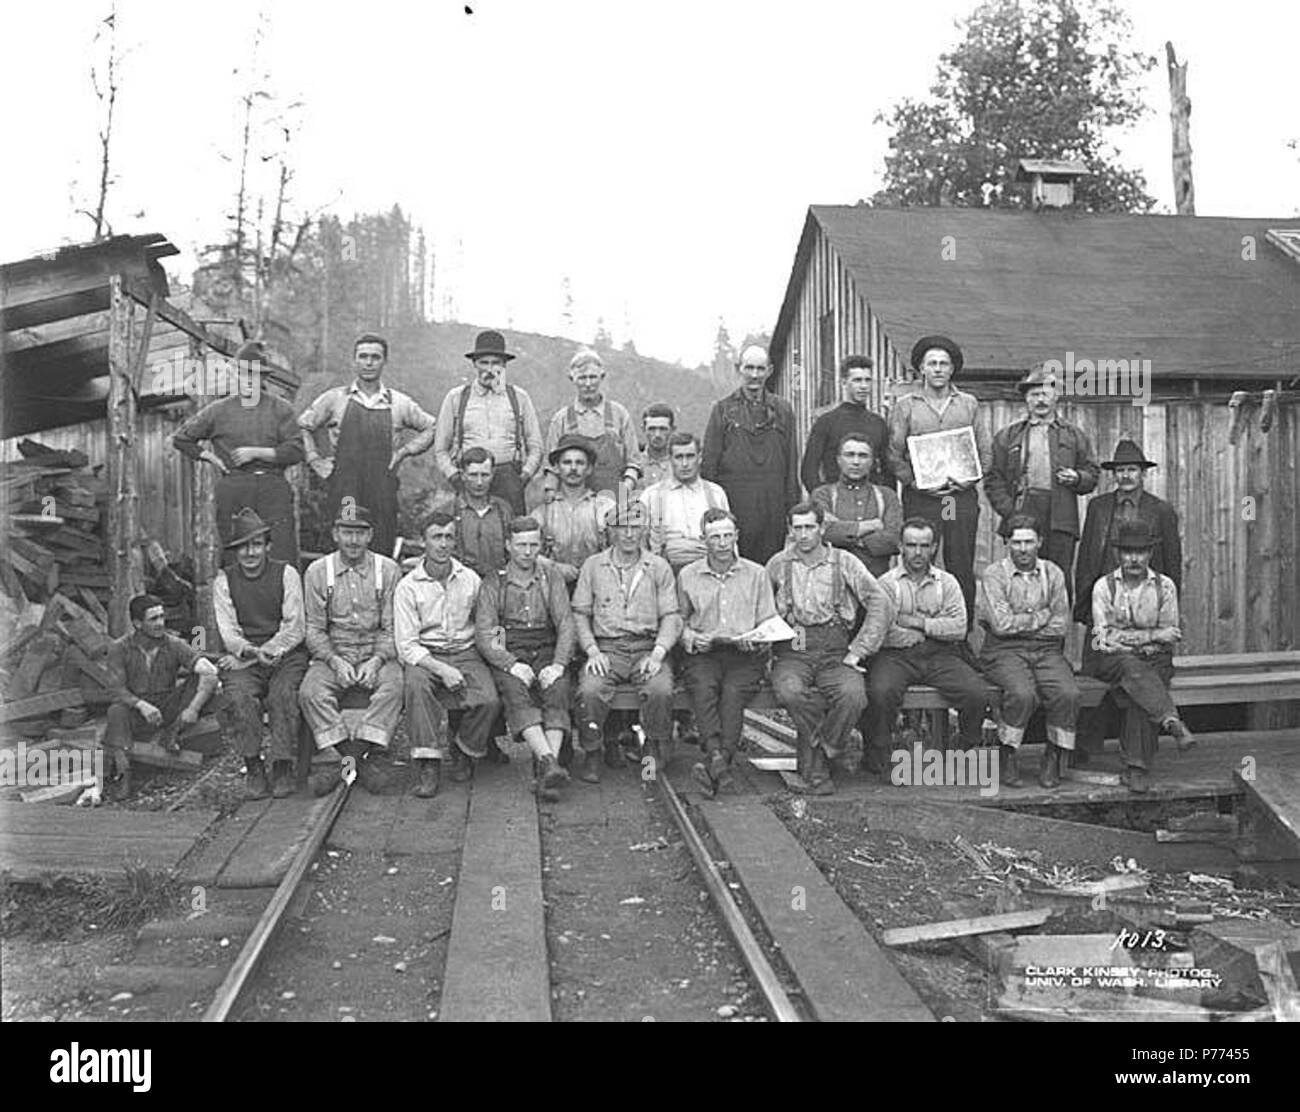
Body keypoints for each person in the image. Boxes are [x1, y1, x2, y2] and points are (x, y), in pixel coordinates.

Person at [767, 502, 893, 794]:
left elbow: (879, 602)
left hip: (836, 651)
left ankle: (823, 750)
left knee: (853, 696)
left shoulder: (844, 562)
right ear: (789, 530)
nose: (803, 534)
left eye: (809, 527)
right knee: (790, 691)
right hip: (793, 649)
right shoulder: (777, 564)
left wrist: (859, 649)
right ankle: (821, 759)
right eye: (797, 528)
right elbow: (761, 611)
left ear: (822, 529)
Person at [298, 333, 437, 560]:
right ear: (354, 361)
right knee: (347, 538)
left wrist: (403, 452)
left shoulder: (399, 403)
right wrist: (315, 459)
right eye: (363, 356)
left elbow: (431, 427)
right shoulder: (335, 399)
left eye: (375, 357)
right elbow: (303, 425)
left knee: (380, 545)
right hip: (346, 490)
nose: (369, 362)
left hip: (381, 491)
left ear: (384, 361)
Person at [865, 518, 988, 771]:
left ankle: (965, 751)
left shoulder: (948, 582)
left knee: (976, 692)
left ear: (934, 547)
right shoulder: (886, 584)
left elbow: (958, 628)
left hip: (940, 655)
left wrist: (918, 623)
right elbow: (883, 631)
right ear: (900, 546)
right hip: (896, 656)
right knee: (881, 691)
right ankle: (881, 753)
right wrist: (931, 628)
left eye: (924, 545)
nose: (918, 552)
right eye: (911, 545)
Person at [571, 502, 682, 783]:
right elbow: (580, 614)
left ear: (644, 530)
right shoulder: (593, 566)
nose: (629, 534)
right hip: (607, 647)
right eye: (622, 528)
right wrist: (592, 651)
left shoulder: (658, 567)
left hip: (647, 646)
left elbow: (671, 616)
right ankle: (593, 751)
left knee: (659, 689)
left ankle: (654, 748)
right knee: (590, 690)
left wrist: (658, 654)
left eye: (635, 527)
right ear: (611, 531)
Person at [1082, 519, 1195, 794]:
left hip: (1154, 659)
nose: (1134, 558)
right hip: (1111, 660)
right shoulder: (1103, 587)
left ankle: (1136, 768)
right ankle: (1170, 720)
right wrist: (1149, 636)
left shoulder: (1164, 587)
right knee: (1132, 668)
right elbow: (1101, 638)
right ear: (1118, 554)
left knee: (1139, 689)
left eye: (1141, 552)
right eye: (1128, 552)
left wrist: (1135, 638)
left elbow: (1172, 634)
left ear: (1150, 554)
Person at [886, 335, 991, 627]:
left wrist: (968, 480)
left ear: (952, 369)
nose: (938, 369)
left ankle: (961, 633)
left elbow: (984, 451)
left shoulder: (967, 404)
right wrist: (917, 482)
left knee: (960, 562)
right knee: (919, 559)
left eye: (944, 364)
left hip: (955, 498)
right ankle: (916, 627)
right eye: (931, 363)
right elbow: (893, 454)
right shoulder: (906, 406)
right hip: (923, 498)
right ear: (921, 368)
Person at [299, 505, 405, 794]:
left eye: (359, 533)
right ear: (335, 534)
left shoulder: (388, 570)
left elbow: (393, 626)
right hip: (336, 650)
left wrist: (377, 660)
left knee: (395, 688)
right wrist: (334, 661)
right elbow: (314, 629)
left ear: (370, 535)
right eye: (347, 532)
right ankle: (358, 758)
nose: (353, 541)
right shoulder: (319, 572)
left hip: (376, 651)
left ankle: (348, 761)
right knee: (311, 692)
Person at [395, 512, 503, 792]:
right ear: (423, 542)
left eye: (449, 537)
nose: (443, 544)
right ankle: (428, 763)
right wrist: (442, 669)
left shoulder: (470, 579)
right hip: (426, 654)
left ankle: (464, 750)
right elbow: (407, 645)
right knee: (416, 688)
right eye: (436, 537)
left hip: (465, 651)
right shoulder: (408, 587)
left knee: (489, 700)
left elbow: (484, 625)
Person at [172, 340, 304, 567]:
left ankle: (282, 601)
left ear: (264, 378)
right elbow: (182, 439)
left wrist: (258, 452)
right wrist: (210, 457)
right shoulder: (218, 410)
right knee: (236, 554)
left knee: (281, 554)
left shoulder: (280, 408)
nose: (250, 380)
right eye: (245, 374)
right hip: (234, 488)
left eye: (256, 375)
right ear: (235, 374)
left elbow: (296, 450)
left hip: (273, 488)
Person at [678, 509, 780, 795]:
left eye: (727, 536)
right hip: (706, 652)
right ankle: (718, 759)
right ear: (704, 541)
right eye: (715, 537)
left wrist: (757, 640)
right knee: (703, 686)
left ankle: (716, 760)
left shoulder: (757, 574)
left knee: (734, 692)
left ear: (736, 537)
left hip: (744, 654)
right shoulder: (688, 575)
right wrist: (691, 638)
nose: (722, 543)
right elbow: (678, 621)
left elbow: (768, 620)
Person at [475, 517, 575, 802]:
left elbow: (566, 623)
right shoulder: (495, 581)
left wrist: (558, 664)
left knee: (557, 690)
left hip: (545, 647)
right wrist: (510, 664)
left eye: (533, 545)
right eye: (521, 545)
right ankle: (550, 764)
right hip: (511, 649)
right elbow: (487, 632)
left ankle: (548, 765)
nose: (528, 552)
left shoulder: (550, 577)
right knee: (516, 693)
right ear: (509, 546)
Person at [978, 515, 1079, 790]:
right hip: (1003, 651)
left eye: (1029, 542)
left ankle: (1053, 755)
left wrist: (1022, 622)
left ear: (1040, 543)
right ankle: (1008, 752)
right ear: (1007, 543)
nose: (1023, 549)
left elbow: (1059, 626)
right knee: (1022, 694)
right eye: (1017, 542)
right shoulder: (994, 574)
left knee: (1067, 693)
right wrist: (1040, 616)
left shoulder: (1053, 573)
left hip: (1046, 650)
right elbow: (1001, 625)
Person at [212, 508, 308, 799]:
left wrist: (269, 650)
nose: (250, 552)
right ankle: (253, 765)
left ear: (267, 546)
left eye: (256, 544)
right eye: (243, 546)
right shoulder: (223, 581)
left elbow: (295, 626)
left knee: (282, 694)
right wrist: (251, 653)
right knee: (239, 696)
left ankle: (282, 765)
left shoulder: (286, 574)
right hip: (245, 658)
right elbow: (228, 632)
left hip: (286, 654)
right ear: (235, 551)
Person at [985, 365, 1099, 592]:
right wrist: (1011, 512)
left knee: (1059, 577)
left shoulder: (1074, 435)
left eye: (1046, 393)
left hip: (1061, 516)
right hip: (1022, 511)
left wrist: (1077, 477)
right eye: (1034, 394)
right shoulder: (1008, 436)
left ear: (1055, 397)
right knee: (1019, 574)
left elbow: (1092, 474)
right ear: (1026, 399)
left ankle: (1058, 627)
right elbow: (993, 478)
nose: (1040, 400)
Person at [105, 594, 220, 801]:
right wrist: (141, 705)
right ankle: (123, 773)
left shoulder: (174, 644)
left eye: (162, 617)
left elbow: (209, 671)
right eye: (153, 619)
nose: (160, 623)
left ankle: (173, 733)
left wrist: (192, 709)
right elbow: (115, 689)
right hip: (136, 710)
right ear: (137, 623)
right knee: (116, 710)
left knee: (200, 681)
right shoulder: (119, 648)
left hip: (167, 706)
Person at [702, 344, 799, 564]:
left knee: (772, 567)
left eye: (760, 369)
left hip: (773, 506)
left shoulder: (783, 410)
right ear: (739, 369)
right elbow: (709, 465)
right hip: (736, 506)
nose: (754, 375)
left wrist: (792, 512)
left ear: (770, 370)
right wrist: (714, 513)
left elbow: (792, 464)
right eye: (749, 368)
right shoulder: (723, 410)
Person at [433, 330, 544, 515]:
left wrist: (524, 476)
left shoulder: (519, 397)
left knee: (513, 535)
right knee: (468, 535)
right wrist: (454, 477)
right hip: (469, 478)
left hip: (509, 480)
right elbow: (440, 449)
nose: (490, 369)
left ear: (504, 365)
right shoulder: (456, 398)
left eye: (496, 363)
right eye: (484, 362)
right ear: (474, 364)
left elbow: (536, 446)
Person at [1074, 439, 1182, 626]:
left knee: (1146, 651)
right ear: (1114, 475)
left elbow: (1172, 562)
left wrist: (1168, 603)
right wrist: (1084, 602)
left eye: (1132, 469)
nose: (1126, 475)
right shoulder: (1098, 507)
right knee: (1098, 649)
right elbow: (1086, 558)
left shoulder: (1161, 510)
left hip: (1146, 598)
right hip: (1105, 596)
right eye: (1120, 470)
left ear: (1143, 473)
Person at [545, 348, 641, 497]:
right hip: (575, 502)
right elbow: (551, 468)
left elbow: (634, 462)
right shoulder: (561, 419)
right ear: (572, 379)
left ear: (602, 377)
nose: (588, 384)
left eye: (593, 377)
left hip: (616, 501)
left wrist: (626, 489)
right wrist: (551, 494)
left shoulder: (619, 414)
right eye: (582, 378)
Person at [811, 434, 903, 578]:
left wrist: (845, 536)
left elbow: (894, 540)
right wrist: (867, 527)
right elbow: (824, 533)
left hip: (876, 580)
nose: (856, 462)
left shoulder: (887, 496)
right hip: (832, 580)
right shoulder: (823, 495)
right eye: (849, 455)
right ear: (839, 460)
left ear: (872, 461)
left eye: (863, 456)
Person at [641, 431, 730, 572]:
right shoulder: (651, 495)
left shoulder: (715, 493)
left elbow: (729, 540)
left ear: (699, 458)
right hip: (666, 573)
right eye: (678, 457)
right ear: (670, 459)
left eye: (690, 456)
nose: (685, 464)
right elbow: (641, 544)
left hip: (709, 572)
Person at [800, 354, 889, 492]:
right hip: (835, 502)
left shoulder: (879, 424)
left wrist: (886, 503)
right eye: (857, 380)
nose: (864, 386)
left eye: (868, 380)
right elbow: (809, 470)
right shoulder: (826, 422)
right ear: (843, 382)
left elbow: (888, 471)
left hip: (871, 504)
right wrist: (823, 503)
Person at [537, 434, 615, 586]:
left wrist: (592, 570)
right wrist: (555, 567)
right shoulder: (544, 511)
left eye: (579, 463)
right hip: (554, 585)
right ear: (557, 468)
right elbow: (528, 552)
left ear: (589, 469)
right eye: (567, 462)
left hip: (598, 585)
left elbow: (620, 550)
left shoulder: (604, 507)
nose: (573, 468)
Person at [430, 446, 513, 577]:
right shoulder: (447, 511)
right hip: (459, 583)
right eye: (473, 475)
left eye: (485, 475)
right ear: (463, 475)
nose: (479, 482)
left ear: (493, 474)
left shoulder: (503, 509)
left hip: (497, 584)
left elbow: (513, 550)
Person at [635, 403, 676, 491]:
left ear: (673, 430)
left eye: (663, 429)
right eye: (652, 429)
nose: (657, 435)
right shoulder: (634, 464)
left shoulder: (681, 465)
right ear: (643, 429)